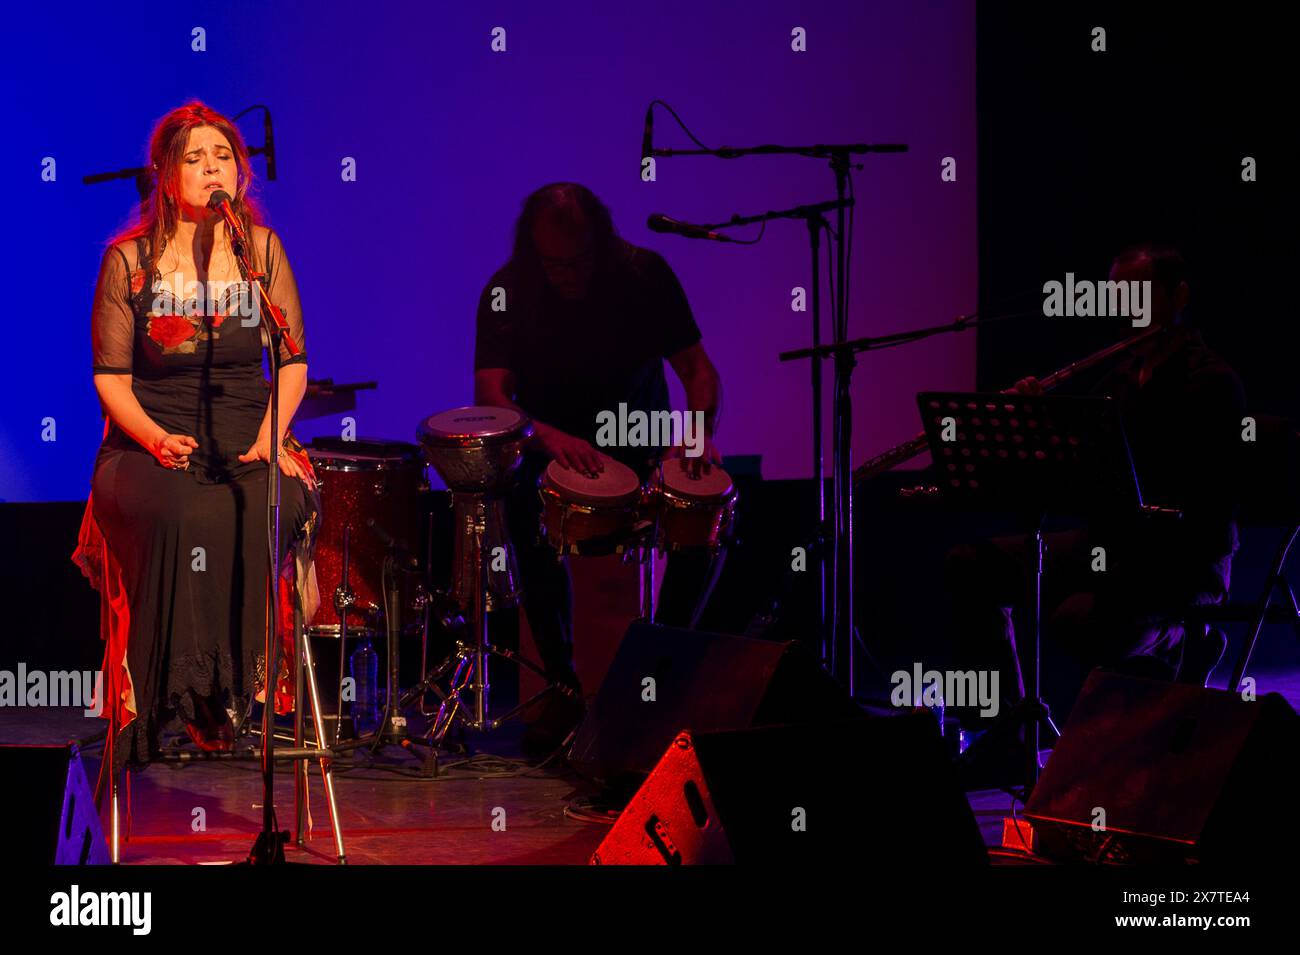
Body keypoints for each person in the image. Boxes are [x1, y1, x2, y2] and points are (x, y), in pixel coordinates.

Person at [76, 101, 316, 772]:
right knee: (182, 509)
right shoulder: (129, 261)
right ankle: (168, 695)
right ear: (163, 174)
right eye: (195, 158)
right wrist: (153, 438)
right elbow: (110, 377)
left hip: (249, 432)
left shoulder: (261, 251)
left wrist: (273, 436)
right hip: (148, 438)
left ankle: (235, 689)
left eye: (224, 158)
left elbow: (293, 360)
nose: (214, 170)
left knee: (272, 504)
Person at [945, 242, 1246, 770]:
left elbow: (1201, 501)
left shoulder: (1210, 382)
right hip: (1113, 545)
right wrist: (1035, 422)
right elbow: (1075, 469)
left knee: (1080, 621)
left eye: (1137, 293)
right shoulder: (1117, 380)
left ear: (1177, 297)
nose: (1123, 307)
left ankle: (1187, 639)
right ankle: (1008, 725)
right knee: (970, 566)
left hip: (1180, 559)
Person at [474, 183, 725, 754]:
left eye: (580, 259)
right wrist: (546, 435)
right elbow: (491, 392)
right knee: (518, 509)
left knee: (710, 510)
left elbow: (699, 371)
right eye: (554, 263)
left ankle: (661, 664)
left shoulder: (644, 275)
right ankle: (564, 685)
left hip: (642, 438)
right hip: (553, 446)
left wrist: (696, 431)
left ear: (602, 243)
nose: (568, 274)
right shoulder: (507, 291)